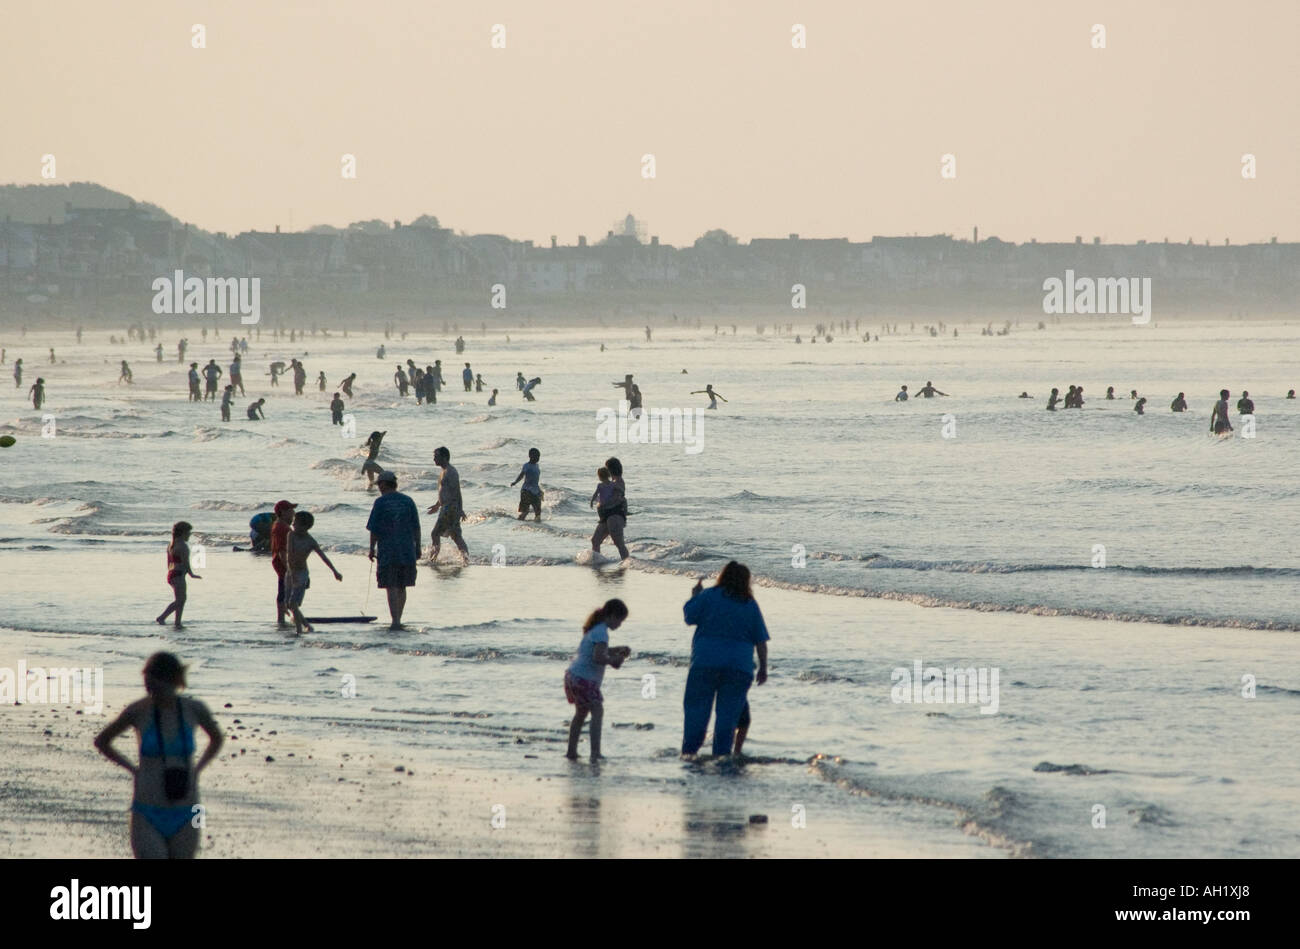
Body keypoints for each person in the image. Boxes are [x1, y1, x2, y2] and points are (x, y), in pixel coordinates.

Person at [93, 652, 223, 859]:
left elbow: (217, 739)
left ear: (173, 681)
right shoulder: (138, 711)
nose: (152, 692)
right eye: (148, 687)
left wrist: (198, 769)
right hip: (146, 809)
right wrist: (132, 769)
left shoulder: (194, 709)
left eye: (156, 686)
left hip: (190, 810)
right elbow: (102, 741)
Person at [680, 562, 769, 758]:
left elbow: (689, 617)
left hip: (705, 663)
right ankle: (722, 757)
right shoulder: (750, 604)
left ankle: (689, 754)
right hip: (738, 667)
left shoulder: (709, 596)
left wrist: (695, 595)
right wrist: (763, 668)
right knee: (727, 718)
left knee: (697, 711)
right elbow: (760, 641)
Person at [564, 599, 631, 762]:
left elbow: (598, 651)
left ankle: (571, 751)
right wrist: (614, 660)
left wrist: (617, 650)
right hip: (584, 679)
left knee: (580, 714)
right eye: (620, 621)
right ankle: (595, 752)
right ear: (612, 616)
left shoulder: (595, 628)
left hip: (574, 676)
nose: (620, 625)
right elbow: (598, 656)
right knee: (597, 712)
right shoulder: (602, 632)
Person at [366, 470, 421, 630]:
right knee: (402, 585)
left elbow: (374, 529)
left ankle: (395, 619)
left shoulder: (380, 503)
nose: (378, 487)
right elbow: (416, 526)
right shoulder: (408, 501)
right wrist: (417, 546)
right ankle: (399, 618)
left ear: (384, 484)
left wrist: (371, 548)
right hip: (406, 550)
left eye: (379, 484)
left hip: (388, 550)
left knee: (391, 585)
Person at [284, 511, 343, 635]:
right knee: (289, 604)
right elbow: (289, 554)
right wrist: (291, 571)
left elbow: (323, 557)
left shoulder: (310, 541)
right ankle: (307, 626)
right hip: (290, 572)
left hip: (301, 573)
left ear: (305, 527)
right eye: (293, 522)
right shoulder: (291, 535)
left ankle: (299, 631)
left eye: (296, 524)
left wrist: (335, 572)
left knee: (293, 603)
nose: (293, 525)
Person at [427, 447, 469, 563]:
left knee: (435, 533)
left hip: (450, 508)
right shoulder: (444, 471)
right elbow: (445, 492)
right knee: (456, 536)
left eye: (436, 456)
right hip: (447, 507)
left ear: (444, 457)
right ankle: (466, 559)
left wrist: (460, 509)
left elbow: (457, 491)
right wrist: (437, 505)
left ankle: (432, 559)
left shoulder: (451, 472)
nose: (434, 459)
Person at [156, 521, 200, 628]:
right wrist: (191, 574)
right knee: (180, 600)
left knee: (180, 599)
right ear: (183, 533)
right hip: (178, 574)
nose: (190, 535)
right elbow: (186, 562)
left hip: (172, 574)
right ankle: (162, 617)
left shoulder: (171, 544)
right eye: (189, 532)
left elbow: (168, 563)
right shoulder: (183, 546)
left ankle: (177, 622)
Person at [590, 456, 629, 560]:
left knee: (619, 543)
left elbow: (620, 497)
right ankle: (597, 563)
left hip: (614, 515)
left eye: (607, 468)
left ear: (611, 469)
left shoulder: (618, 482)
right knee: (595, 540)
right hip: (606, 516)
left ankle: (628, 564)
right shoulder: (610, 483)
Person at [270, 500, 295, 627]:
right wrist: (289, 567)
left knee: (284, 589)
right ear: (283, 512)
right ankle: (282, 618)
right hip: (282, 562)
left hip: (281, 561)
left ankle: (283, 616)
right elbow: (281, 550)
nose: (293, 513)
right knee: (285, 589)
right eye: (291, 511)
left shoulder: (280, 525)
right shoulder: (282, 527)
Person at [511, 447, 543, 521]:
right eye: (536, 456)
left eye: (538, 457)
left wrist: (539, 491)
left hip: (535, 491)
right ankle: (519, 522)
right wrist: (515, 482)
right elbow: (522, 475)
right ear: (530, 456)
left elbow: (536, 481)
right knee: (525, 511)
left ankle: (537, 525)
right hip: (526, 491)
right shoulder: (527, 466)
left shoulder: (537, 466)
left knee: (538, 512)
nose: (537, 458)